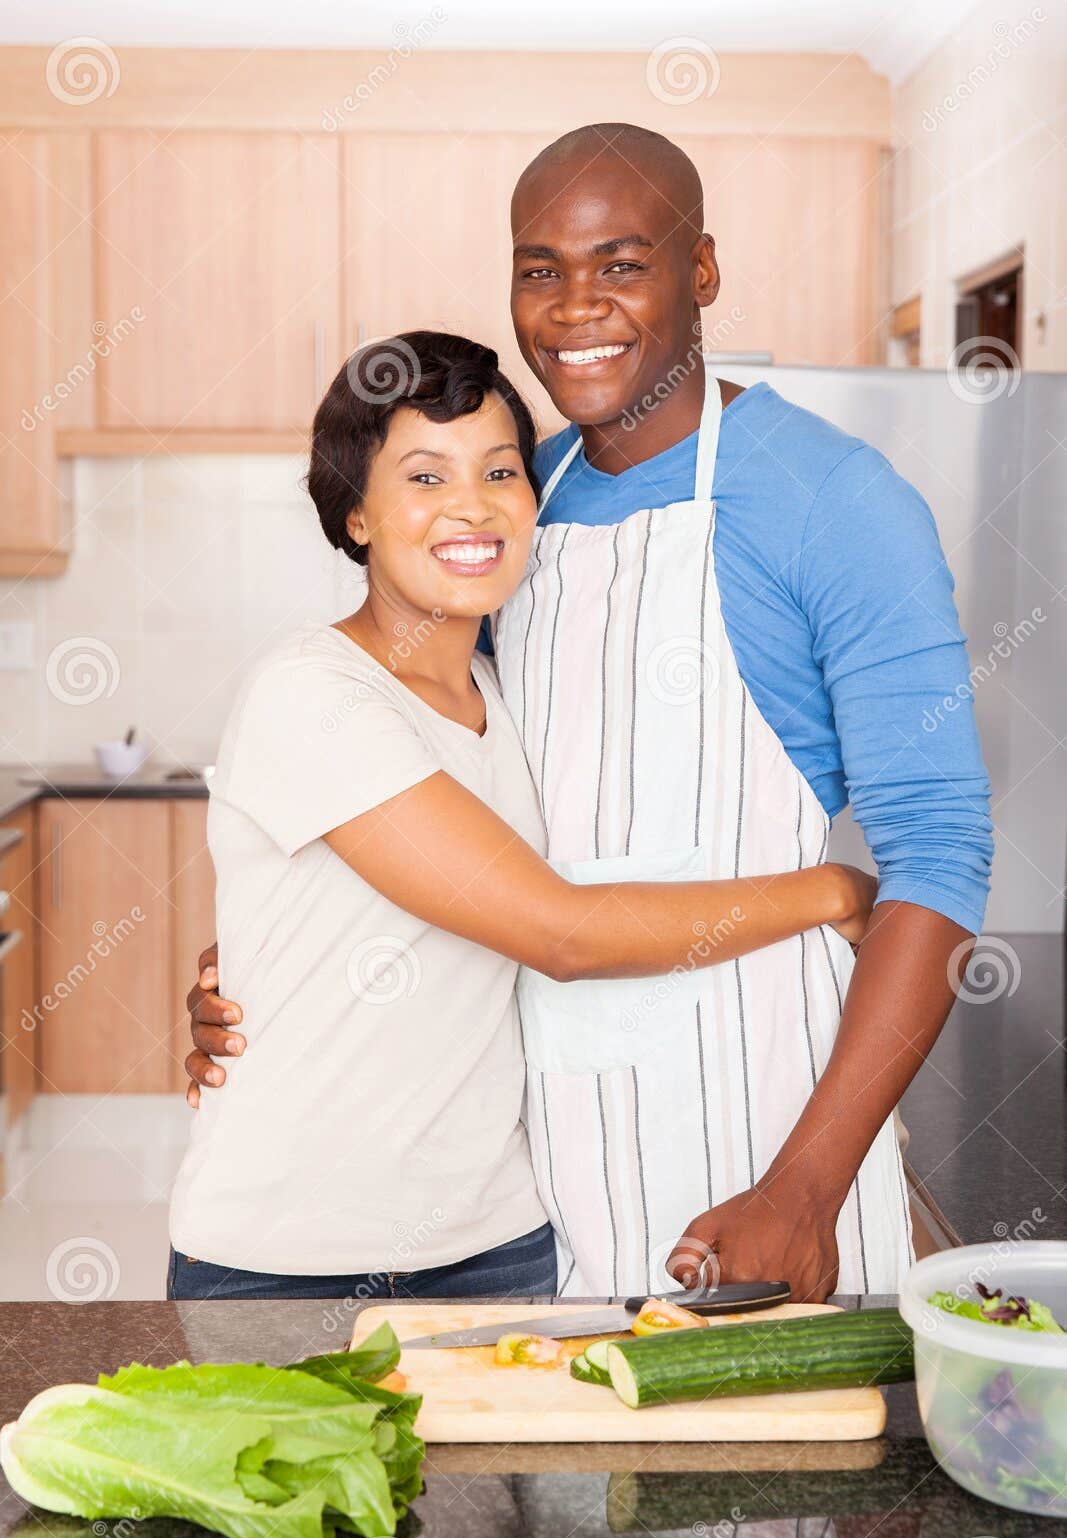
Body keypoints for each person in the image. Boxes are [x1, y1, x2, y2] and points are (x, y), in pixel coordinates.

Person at [186, 123, 992, 1301]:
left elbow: (938, 854)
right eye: (539, 270)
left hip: (760, 1124)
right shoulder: (514, 511)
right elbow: (464, 834)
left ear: (700, 273)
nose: (576, 307)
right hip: (534, 1188)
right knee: (546, 1475)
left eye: (621, 264)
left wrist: (805, 1188)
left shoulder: (835, 499)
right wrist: (261, 968)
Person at [168, 332, 877, 1301]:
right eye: (425, 475)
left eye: (501, 470)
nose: (471, 503)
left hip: (497, 1247)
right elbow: (560, 930)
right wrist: (830, 888)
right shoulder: (312, 694)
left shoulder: (508, 697)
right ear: (357, 517)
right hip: (288, 1264)